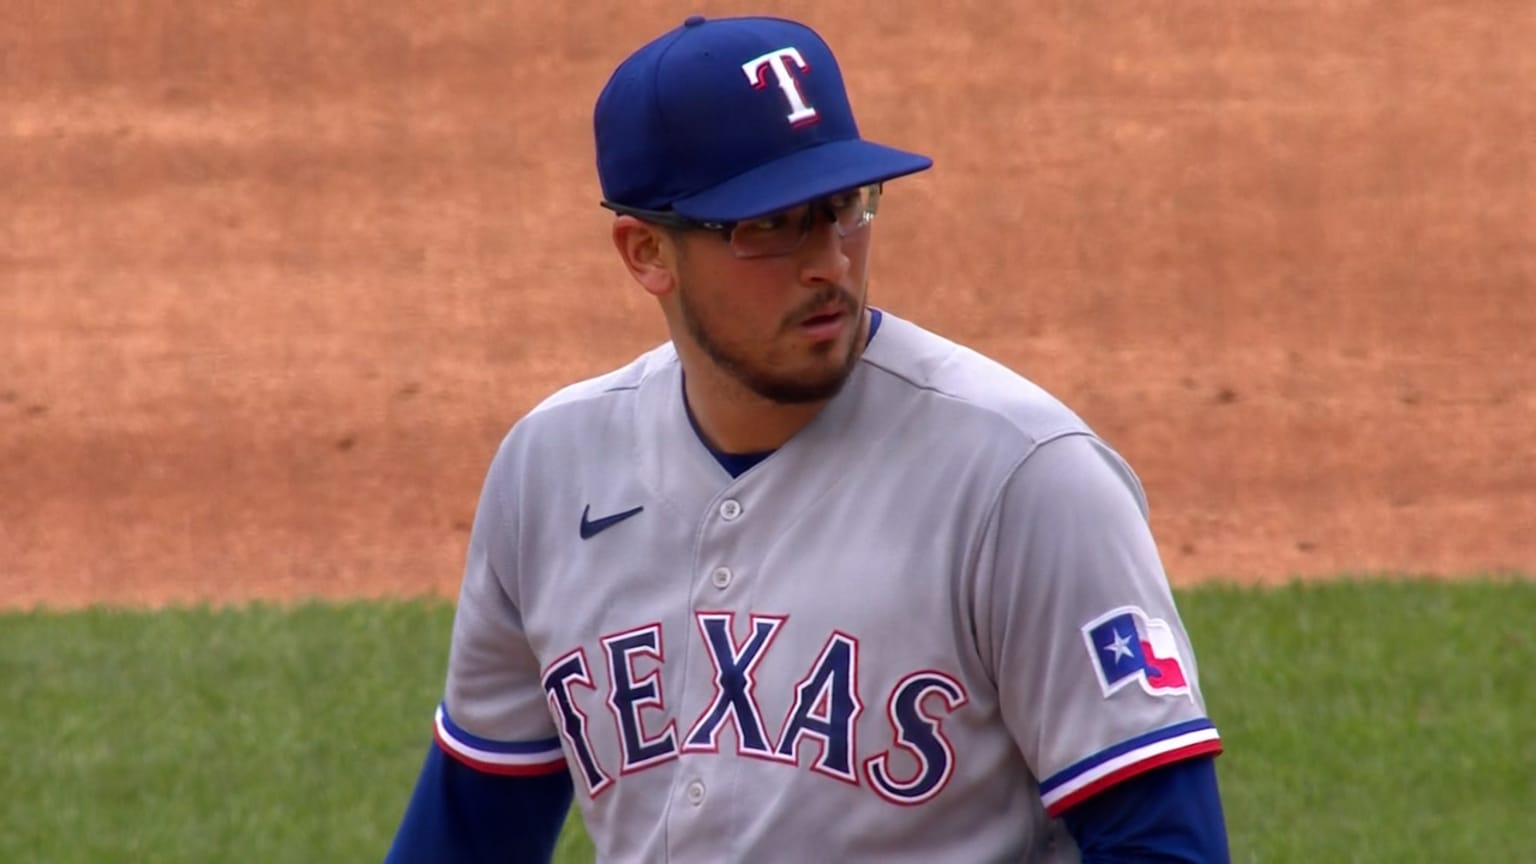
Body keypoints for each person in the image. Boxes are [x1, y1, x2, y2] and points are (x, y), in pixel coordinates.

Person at [385, 13, 1229, 863]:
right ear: (646, 253)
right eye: (769, 226)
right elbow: (468, 833)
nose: (829, 261)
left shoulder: (1023, 479)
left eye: (844, 208)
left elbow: (1163, 846)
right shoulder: (550, 471)